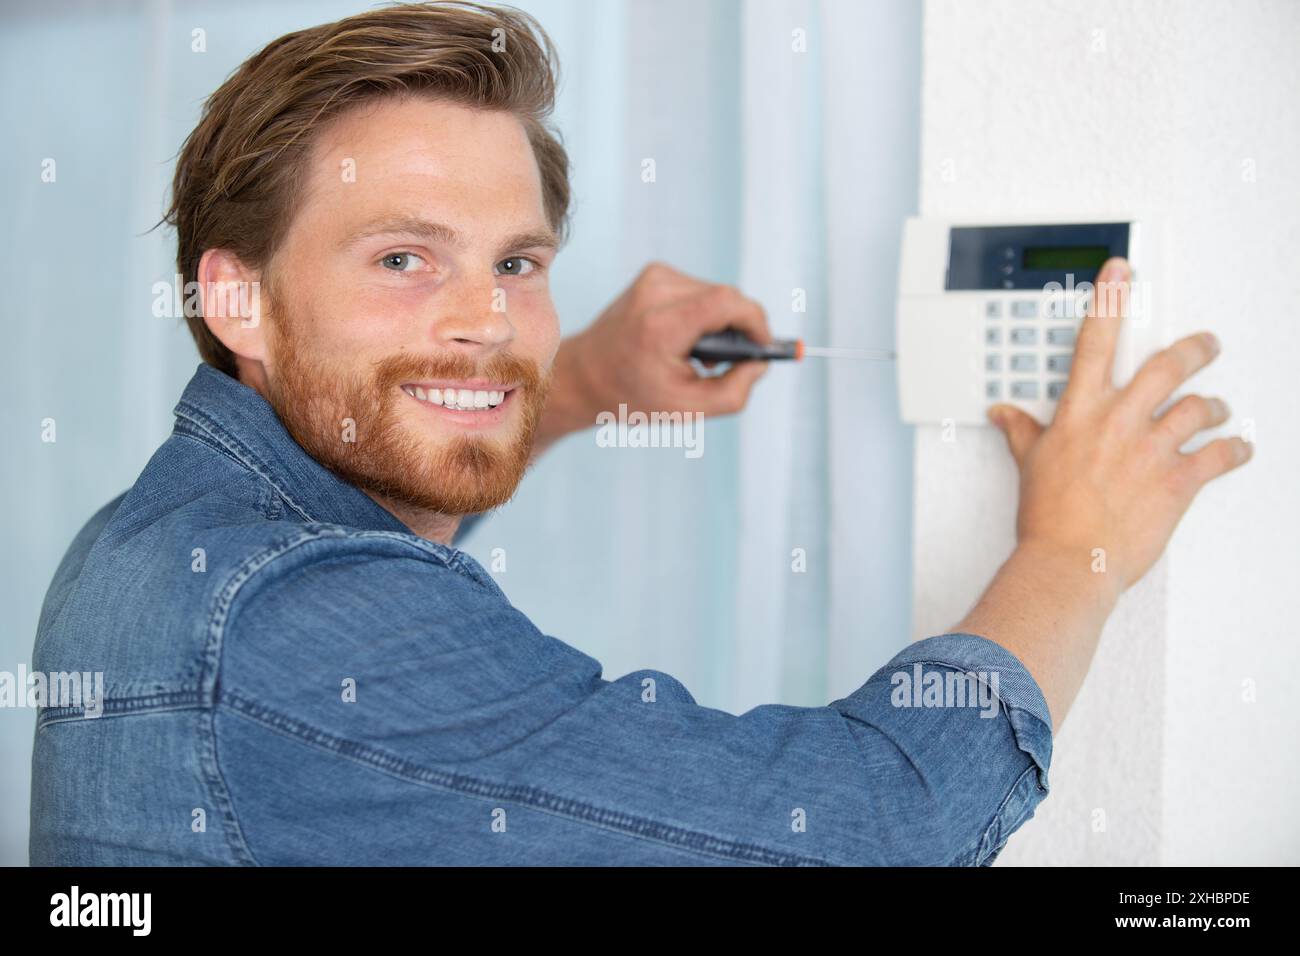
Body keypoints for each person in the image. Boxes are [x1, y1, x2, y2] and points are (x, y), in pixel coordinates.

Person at [29, 1, 1250, 866]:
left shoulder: (155, 541)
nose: (486, 321)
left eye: (516, 261)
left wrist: (581, 382)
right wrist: (1071, 551)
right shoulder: (291, 613)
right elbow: (867, 831)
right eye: (403, 258)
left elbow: (364, 485)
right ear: (235, 297)